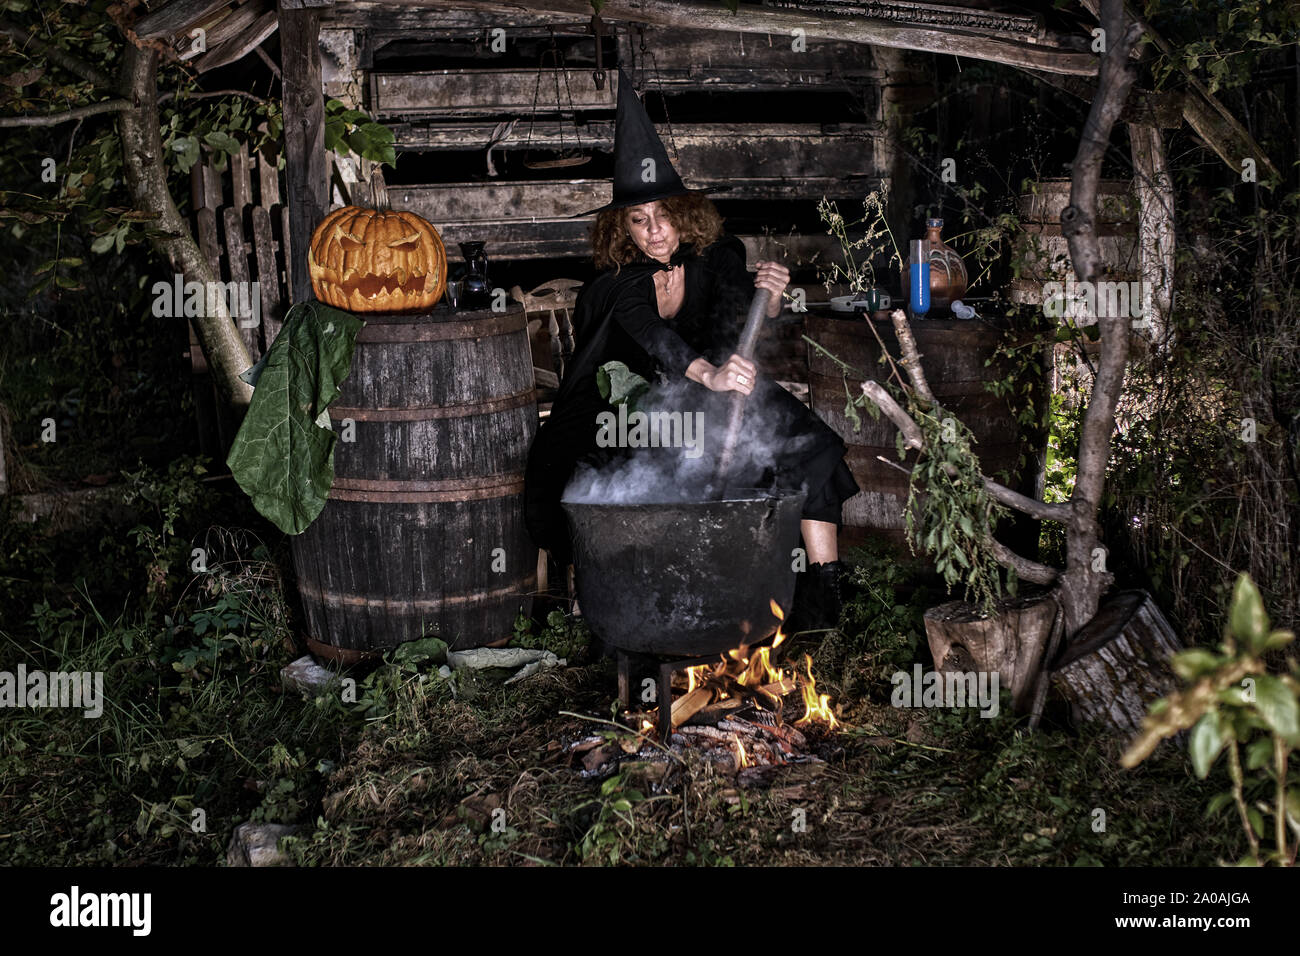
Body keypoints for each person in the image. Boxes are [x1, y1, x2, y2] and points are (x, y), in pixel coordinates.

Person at [524, 69, 858, 632]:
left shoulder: (718, 254)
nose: (655, 231)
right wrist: (710, 377)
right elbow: (655, 338)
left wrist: (770, 299)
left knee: (808, 442)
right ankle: (642, 600)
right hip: (617, 409)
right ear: (621, 227)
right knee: (622, 473)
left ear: (685, 212)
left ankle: (823, 596)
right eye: (639, 219)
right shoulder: (615, 284)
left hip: (705, 393)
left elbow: (736, 315)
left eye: (665, 215)